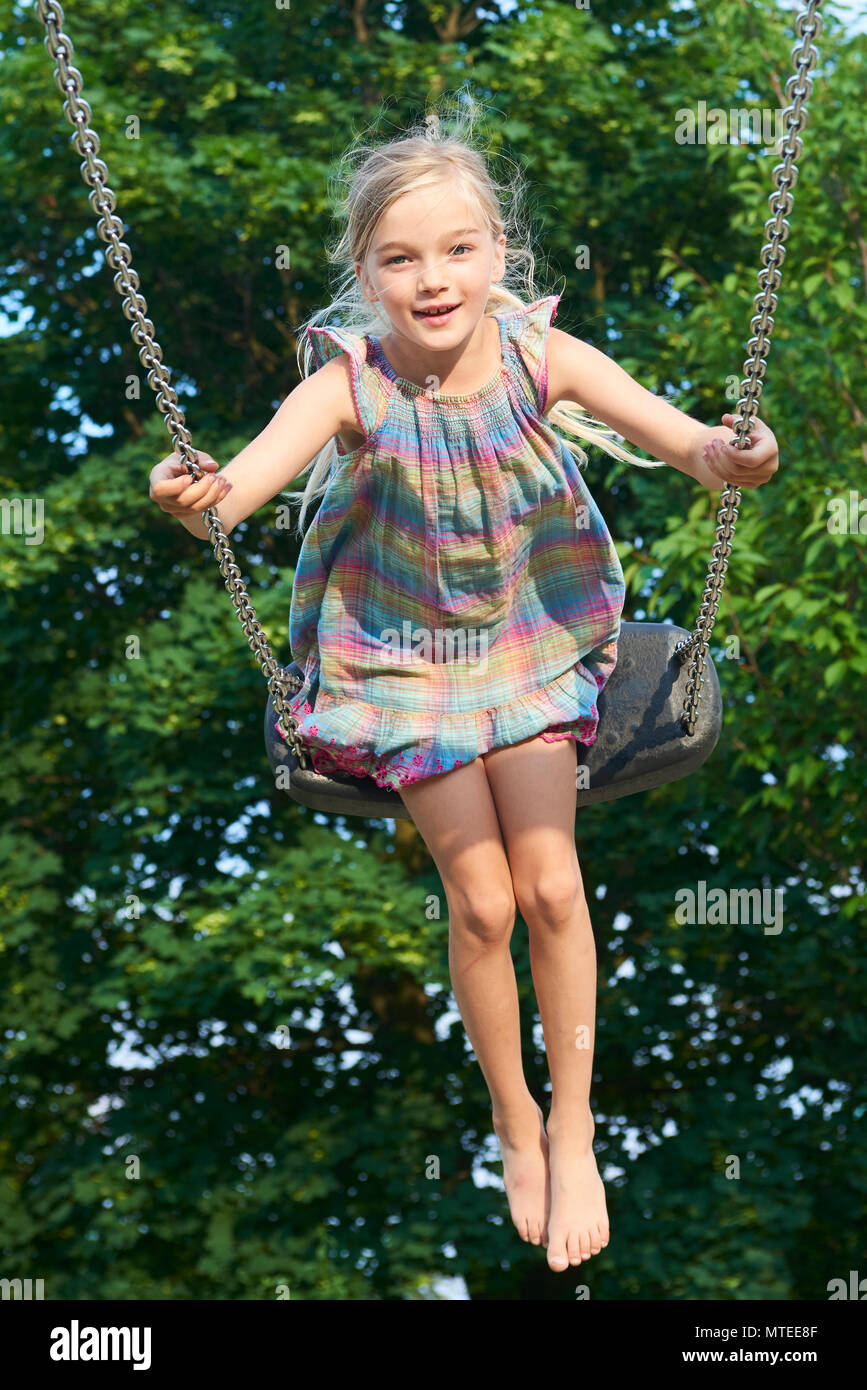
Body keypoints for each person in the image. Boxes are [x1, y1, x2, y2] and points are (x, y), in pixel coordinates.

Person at [150, 102, 779, 1274]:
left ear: (500, 254)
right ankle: (515, 1117)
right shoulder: (350, 387)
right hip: (400, 663)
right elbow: (235, 492)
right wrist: (191, 491)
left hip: (534, 645)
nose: (432, 279)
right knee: (481, 903)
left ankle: (577, 1121)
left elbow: (693, 444)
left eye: (457, 250)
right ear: (365, 272)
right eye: (400, 258)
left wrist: (737, 452)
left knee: (550, 883)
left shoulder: (546, 355)